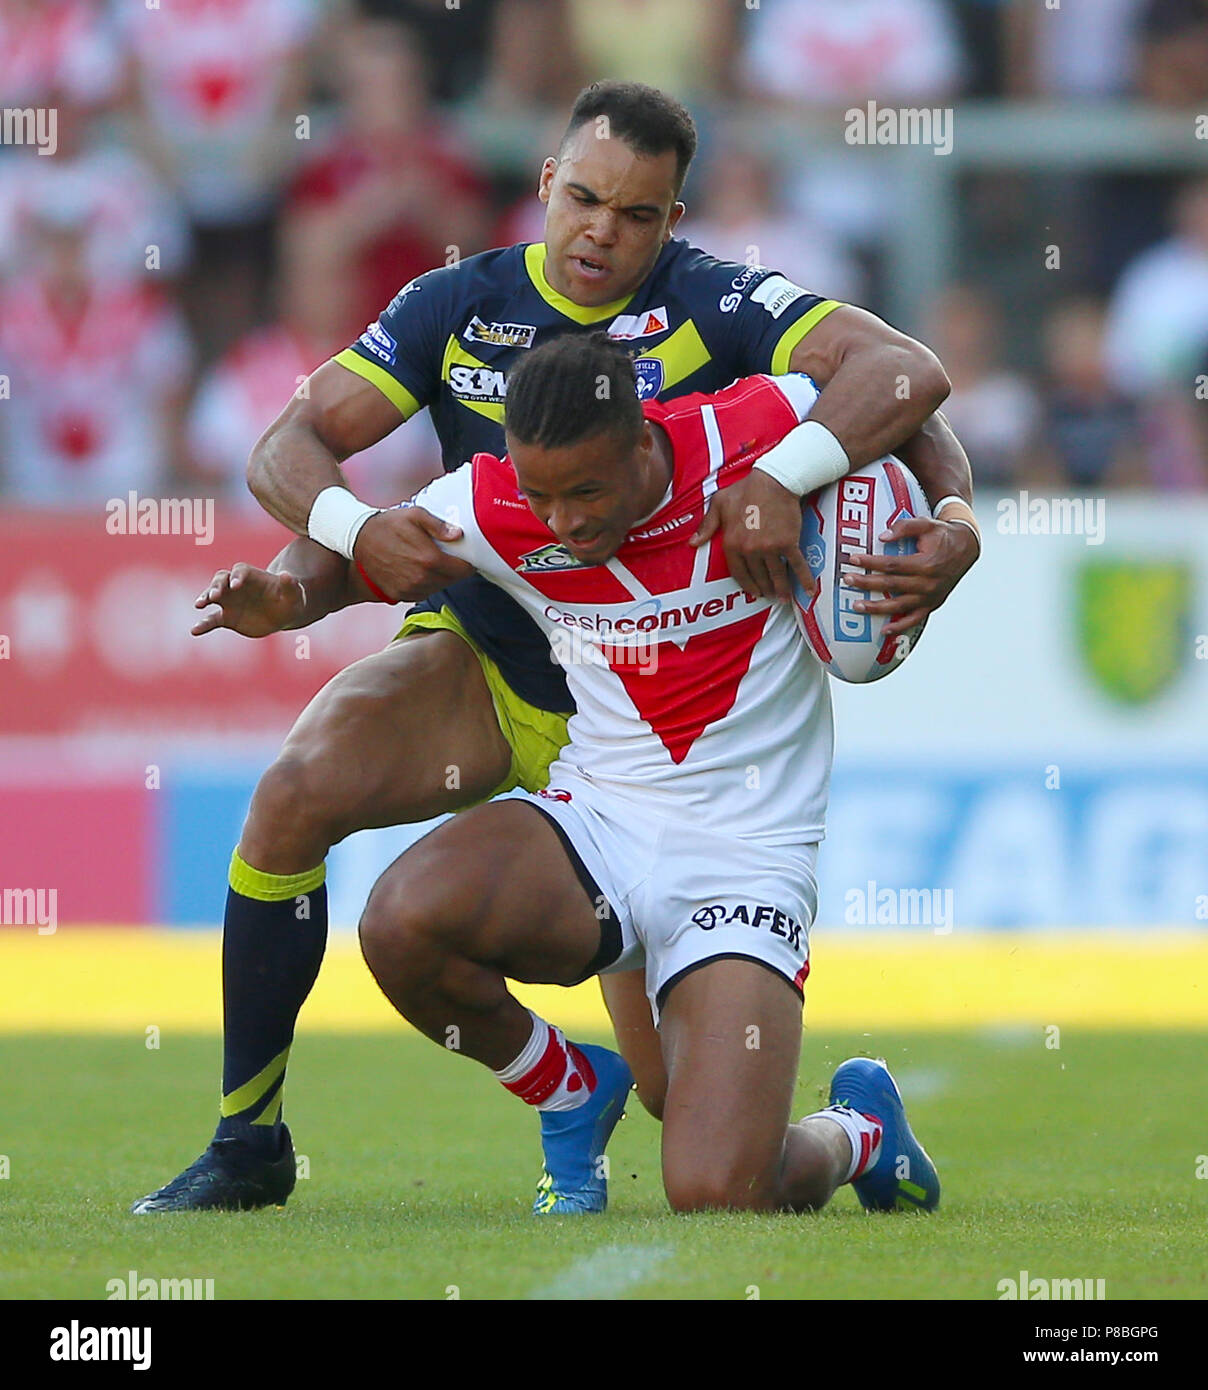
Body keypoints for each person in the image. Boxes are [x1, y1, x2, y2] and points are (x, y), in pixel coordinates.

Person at [130, 80, 976, 1216]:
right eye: (582, 198)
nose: (601, 231)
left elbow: (907, 390)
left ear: (672, 220)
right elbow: (299, 450)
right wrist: (322, 556)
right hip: (501, 676)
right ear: (543, 184)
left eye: (636, 214)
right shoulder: (459, 329)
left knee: (703, 1148)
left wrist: (933, 518)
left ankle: (843, 1126)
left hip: (670, 741)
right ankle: (250, 1140)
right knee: (300, 789)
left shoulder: (729, 339)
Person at [190, 334, 944, 1215]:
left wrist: (955, 523)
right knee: (398, 925)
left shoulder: (757, 429)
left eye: (587, 492)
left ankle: (857, 1131)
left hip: (747, 857)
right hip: (598, 826)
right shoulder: (497, 501)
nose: (564, 523)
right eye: (541, 495)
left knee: (719, 1191)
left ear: (640, 442)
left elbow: (912, 392)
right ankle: (569, 1086)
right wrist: (287, 599)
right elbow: (375, 553)